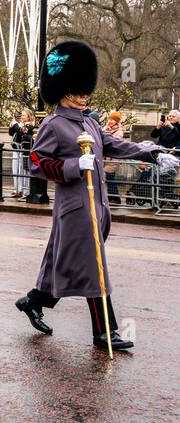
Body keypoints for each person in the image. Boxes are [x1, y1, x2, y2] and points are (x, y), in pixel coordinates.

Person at [15, 41, 164, 352]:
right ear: (62, 90)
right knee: (94, 267)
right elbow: (36, 163)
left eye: (85, 90)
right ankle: (104, 333)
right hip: (74, 208)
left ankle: (33, 301)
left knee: (69, 262)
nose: (83, 95)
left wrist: (152, 153)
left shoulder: (88, 121)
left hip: (95, 205)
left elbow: (112, 145)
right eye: (77, 90)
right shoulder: (53, 124)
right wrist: (72, 166)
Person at [8, 107, 36, 198]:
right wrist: (12, 125)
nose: (22, 117)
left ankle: (25, 191)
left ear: (29, 116)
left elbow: (22, 132)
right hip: (16, 148)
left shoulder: (30, 126)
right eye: (22, 115)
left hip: (24, 150)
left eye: (24, 115)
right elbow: (11, 133)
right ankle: (17, 189)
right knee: (15, 170)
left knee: (24, 171)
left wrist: (16, 125)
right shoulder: (20, 125)